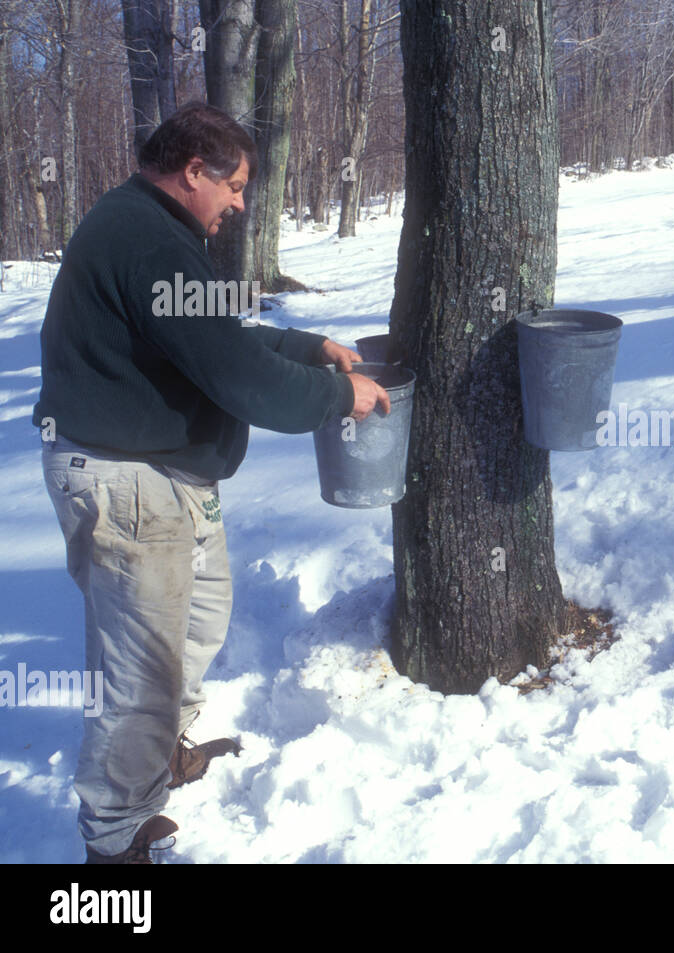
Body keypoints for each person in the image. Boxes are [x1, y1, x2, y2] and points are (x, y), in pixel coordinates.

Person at [32, 101, 391, 863]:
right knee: (140, 675)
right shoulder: (146, 240)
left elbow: (212, 335)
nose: (237, 203)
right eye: (233, 186)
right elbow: (235, 375)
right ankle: (113, 849)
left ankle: (156, 757)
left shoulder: (154, 230)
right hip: (125, 481)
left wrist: (300, 344)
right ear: (193, 170)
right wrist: (336, 397)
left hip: (163, 475)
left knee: (197, 623)